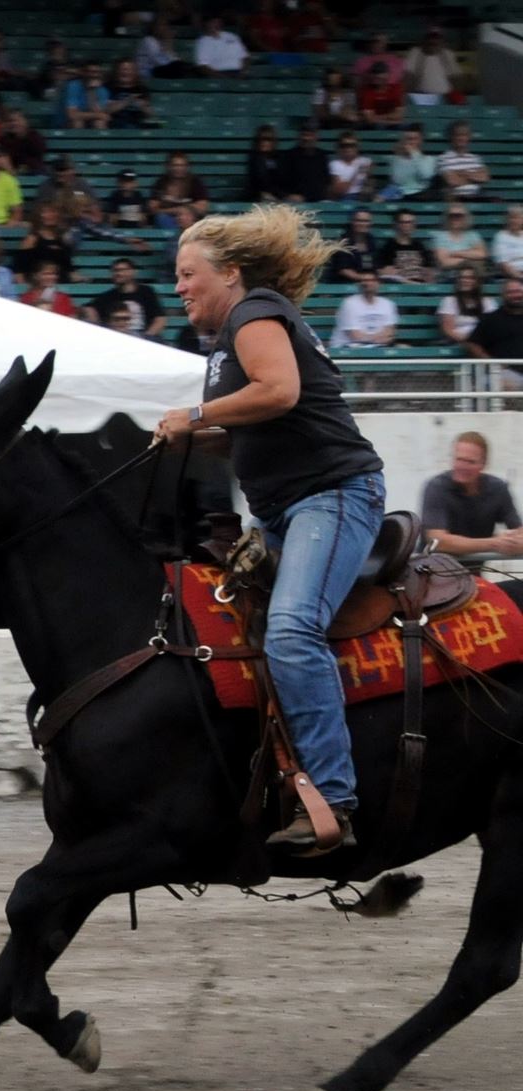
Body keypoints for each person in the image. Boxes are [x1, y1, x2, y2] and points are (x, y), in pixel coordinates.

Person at [157, 205, 385, 852]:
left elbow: (280, 391)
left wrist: (194, 415)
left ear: (229, 273)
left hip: (331, 498)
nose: (178, 288)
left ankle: (334, 800)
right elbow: (253, 431)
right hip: (284, 511)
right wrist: (193, 441)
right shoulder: (226, 343)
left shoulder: (253, 313)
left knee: (289, 629)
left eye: (187, 274)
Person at [422, 432, 522, 560]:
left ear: (483, 464)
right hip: (436, 576)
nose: (463, 466)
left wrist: (515, 543)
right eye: (459, 459)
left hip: (474, 575)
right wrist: (494, 543)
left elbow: (519, 530)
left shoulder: (498, 488)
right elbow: (438, 541)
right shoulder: (437, 487)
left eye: (470, 462)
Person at [462, 277, 523, 387]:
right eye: (510, 292)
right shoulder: (491, 319)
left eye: (518, 291)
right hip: (503, 373)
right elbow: (472, 344)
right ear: (503, 295)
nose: (515, 295)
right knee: (505, 385)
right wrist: (492, 363)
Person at [85, 257, 164, 338]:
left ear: (133, 272)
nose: (118, 273)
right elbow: (88, 308)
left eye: (122, 270)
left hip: (144, 337)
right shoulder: (108, 296)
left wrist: (146, 338)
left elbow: (160, 320)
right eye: (115, 270)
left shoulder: (146, 292)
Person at [329, 269, 396, 350]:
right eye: (363, 281)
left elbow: (389, 333)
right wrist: (377, 339)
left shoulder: (387, 304)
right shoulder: (349, 303)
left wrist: (380, 340)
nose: (366, 283)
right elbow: (354, 336)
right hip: (347, 347)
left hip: (377, 347)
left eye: (371, 280)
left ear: (378, 283)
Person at [404, 28, 462, 107]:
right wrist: (407, 94)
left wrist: (457, 96)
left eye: (436, 38)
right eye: (430, 38)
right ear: (425, 39)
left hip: (446, 97)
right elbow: (408, 75)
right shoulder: (416, 52)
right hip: (420, 97)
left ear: (441, 40)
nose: (433, 41)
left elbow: (456, 77)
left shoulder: (448, 54)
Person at [436, 122, 489, 202]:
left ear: (469, 137)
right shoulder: (443, 158)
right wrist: (473, 177)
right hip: (456, 198)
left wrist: (461, 174)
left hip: (477, 196)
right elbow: (452, 181)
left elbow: (484, 178)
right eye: (458, 135)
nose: (461, 138)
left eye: (464, 135)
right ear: (452, 137)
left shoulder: (476, 158)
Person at [431, 205, 487, 274]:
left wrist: (455, 253)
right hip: (448, 275)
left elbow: (482, 254)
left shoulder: (473, 235)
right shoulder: (441, 236)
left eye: (459, 216)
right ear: (447, 218)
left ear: (466, 218)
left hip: (472, 274)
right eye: (452, 216)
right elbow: (445, 262)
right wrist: (470, 260)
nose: (455, 218)